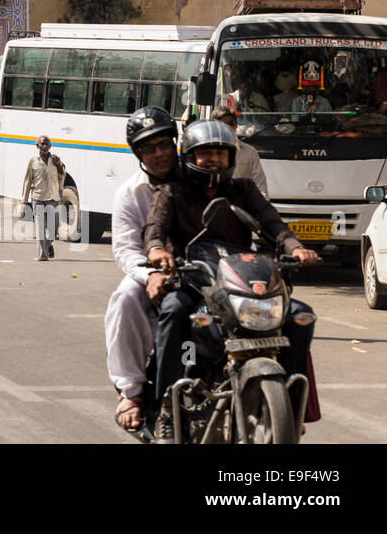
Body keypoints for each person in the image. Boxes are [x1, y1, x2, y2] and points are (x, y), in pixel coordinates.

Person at [144, 118, 320, 444]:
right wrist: (156, 251)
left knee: (299, 315)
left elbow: (272, 223)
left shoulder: (244, 189)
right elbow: (154, 229)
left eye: (220, 154)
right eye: (205, 153)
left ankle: (290, 400)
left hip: (239, 277)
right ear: (190, 157)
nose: (213, 159)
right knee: (173, 310)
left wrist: (295, 248)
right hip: (194, 277)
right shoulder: (171, 191)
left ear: (230, 158)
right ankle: (168, 406)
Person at [106, 107, 178, 432]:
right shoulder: (129, 194)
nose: (160, 153)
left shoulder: (198, 179)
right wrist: (151, 274)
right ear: (138, 153)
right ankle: (131, 391)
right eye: (149, 148)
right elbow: (125, 249)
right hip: (154, 273)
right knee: (125, 298)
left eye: (164, 144)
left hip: (206, 268)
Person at [21, 135, 65, 261]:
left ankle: (49, 244)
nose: (45, 146)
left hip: (53, 198)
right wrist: (24, 201)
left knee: (53, 230)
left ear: (50, 146)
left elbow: (62, 175)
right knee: (40, 227)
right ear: (37, 146)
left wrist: (59, 165)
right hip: (38, 197)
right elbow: (27, 180)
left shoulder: (55, 160)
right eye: (42, 144)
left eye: (47, 144)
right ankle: (42, 254)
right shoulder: (33, 161)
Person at [209, 105, 269, 198]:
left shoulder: (250, 152)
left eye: (231, 123)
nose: (228, 127)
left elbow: (260, 186)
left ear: (236, 125)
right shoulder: (205, 151)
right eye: (224, 124)